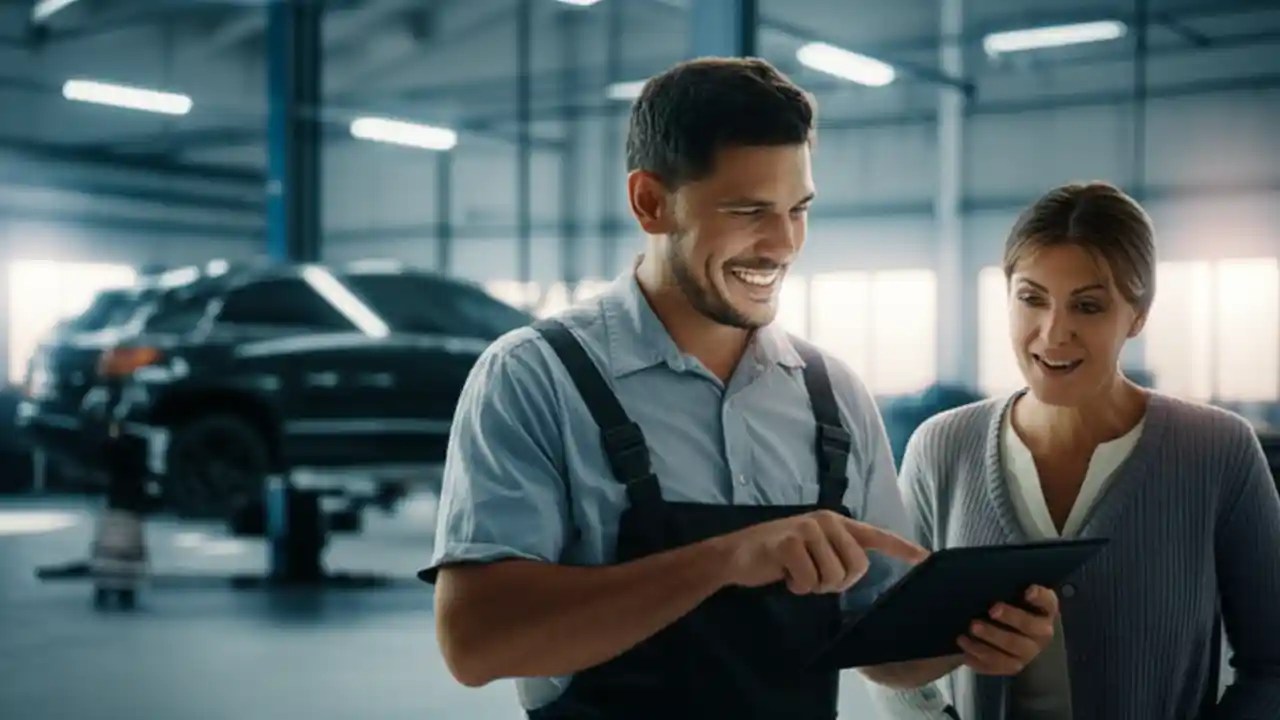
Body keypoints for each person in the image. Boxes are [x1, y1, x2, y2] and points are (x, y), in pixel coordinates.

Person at [420, 57, 1059, 719]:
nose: (782, 244)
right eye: (749, 210)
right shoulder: (533, 378)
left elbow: (880, 645)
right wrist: (724, 559)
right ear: (650, 202)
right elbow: (475, 642)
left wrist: (971, 635)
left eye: (798, 210)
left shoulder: (833, 395)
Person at [871, 182, 1280, 719]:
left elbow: (1272, 664)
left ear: (1137, 315)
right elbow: (890, 653)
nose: (1053, 332)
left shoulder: (1217, 451)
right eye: (1032, 298)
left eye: (1087, 306)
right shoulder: (942, 447)